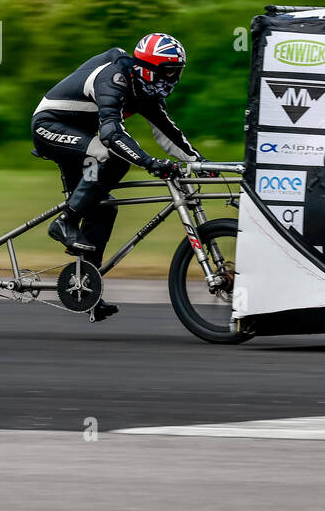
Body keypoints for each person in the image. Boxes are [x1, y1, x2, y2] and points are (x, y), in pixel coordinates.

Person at [31, 33, 209, 321]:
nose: (174, 78)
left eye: (177, 71)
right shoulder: (114, 78)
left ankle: (86, 289)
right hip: (50, 127)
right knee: (114, 156)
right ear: (147, 68)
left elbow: (168, 133)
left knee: (104, 208)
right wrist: (150, 163)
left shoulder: (144, 89)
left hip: (82, 138)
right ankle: (64, 223)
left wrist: (200, 162)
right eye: (169, 71)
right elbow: (112, 134)